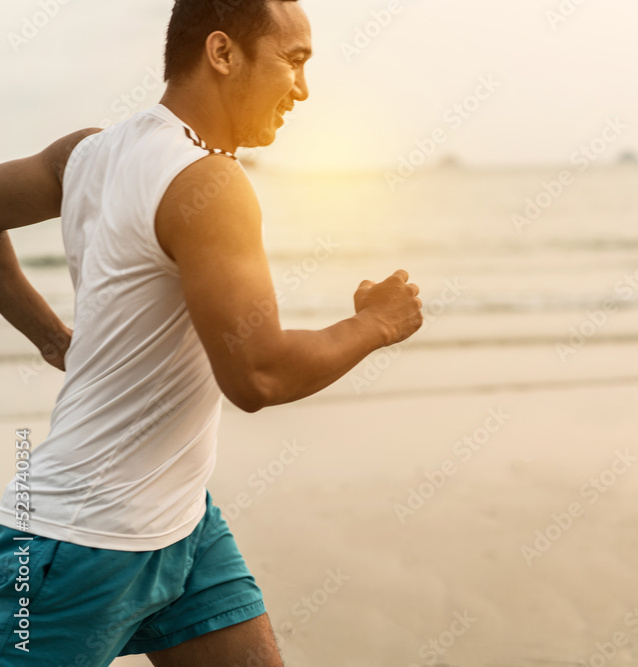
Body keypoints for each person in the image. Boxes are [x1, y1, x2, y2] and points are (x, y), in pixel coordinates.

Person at [0, 1, 423, 664]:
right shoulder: (210, 181)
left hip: (181, 524)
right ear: (223, 53)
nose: (304, 89)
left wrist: (53, 337)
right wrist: (376, 324)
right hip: (75, 542)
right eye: (294, 60)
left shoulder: (88, 152)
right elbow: (260, 375)